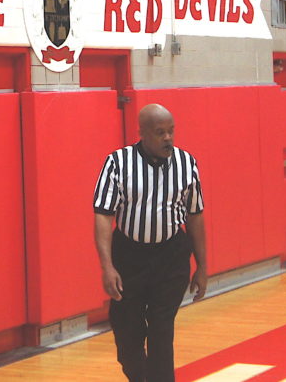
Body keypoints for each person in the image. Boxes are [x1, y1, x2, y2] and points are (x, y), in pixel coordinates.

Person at [93, 103, 207, 382]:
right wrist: (107, 266)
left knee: (161, 331)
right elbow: (103, 215)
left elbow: (195, 216)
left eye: (171, 131)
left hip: (171, 257)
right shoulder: (118, 163)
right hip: (129, 258)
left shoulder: (187, 163)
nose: (168, 138)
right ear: (142, 133)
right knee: (128, 338)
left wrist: (202, 267)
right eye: (159, 132)